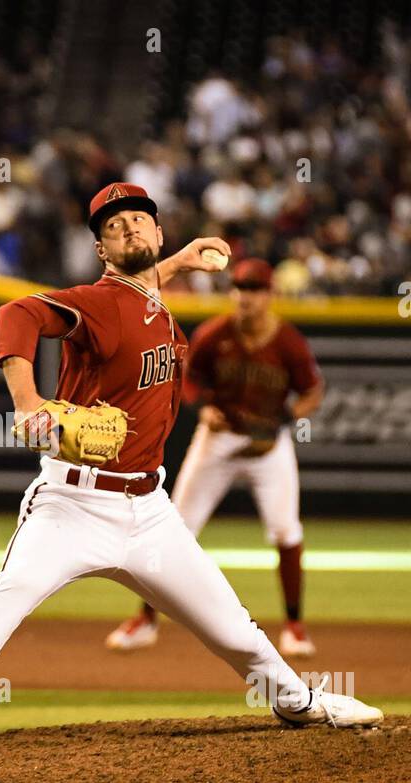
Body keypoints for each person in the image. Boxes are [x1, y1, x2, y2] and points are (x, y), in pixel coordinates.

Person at [0, 184, 382, 767]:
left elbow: (147, 286)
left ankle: (296, 702)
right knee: (7, 596)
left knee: (232, 628)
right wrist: (28, 398)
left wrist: (180, 261)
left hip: (150, 511)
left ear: (158, 235)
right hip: (71, 506)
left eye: (140, 219)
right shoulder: (100, 303)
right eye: (114, 226)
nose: (129, 228)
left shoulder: (155, 298)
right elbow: (16, 313)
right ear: (101, 250)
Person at [106, 258, 322, 657]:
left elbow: (312, 390)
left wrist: (287, 418)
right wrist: (202, 407)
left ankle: (294, 626)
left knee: (286, 531)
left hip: (267, 447)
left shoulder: (288, 342)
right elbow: (187, 376)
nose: (246, 297)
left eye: (255, 289)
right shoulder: (214, 334)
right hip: (217, 440)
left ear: (269, 295)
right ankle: (146, 620)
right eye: (240, 288)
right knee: (173, 527)